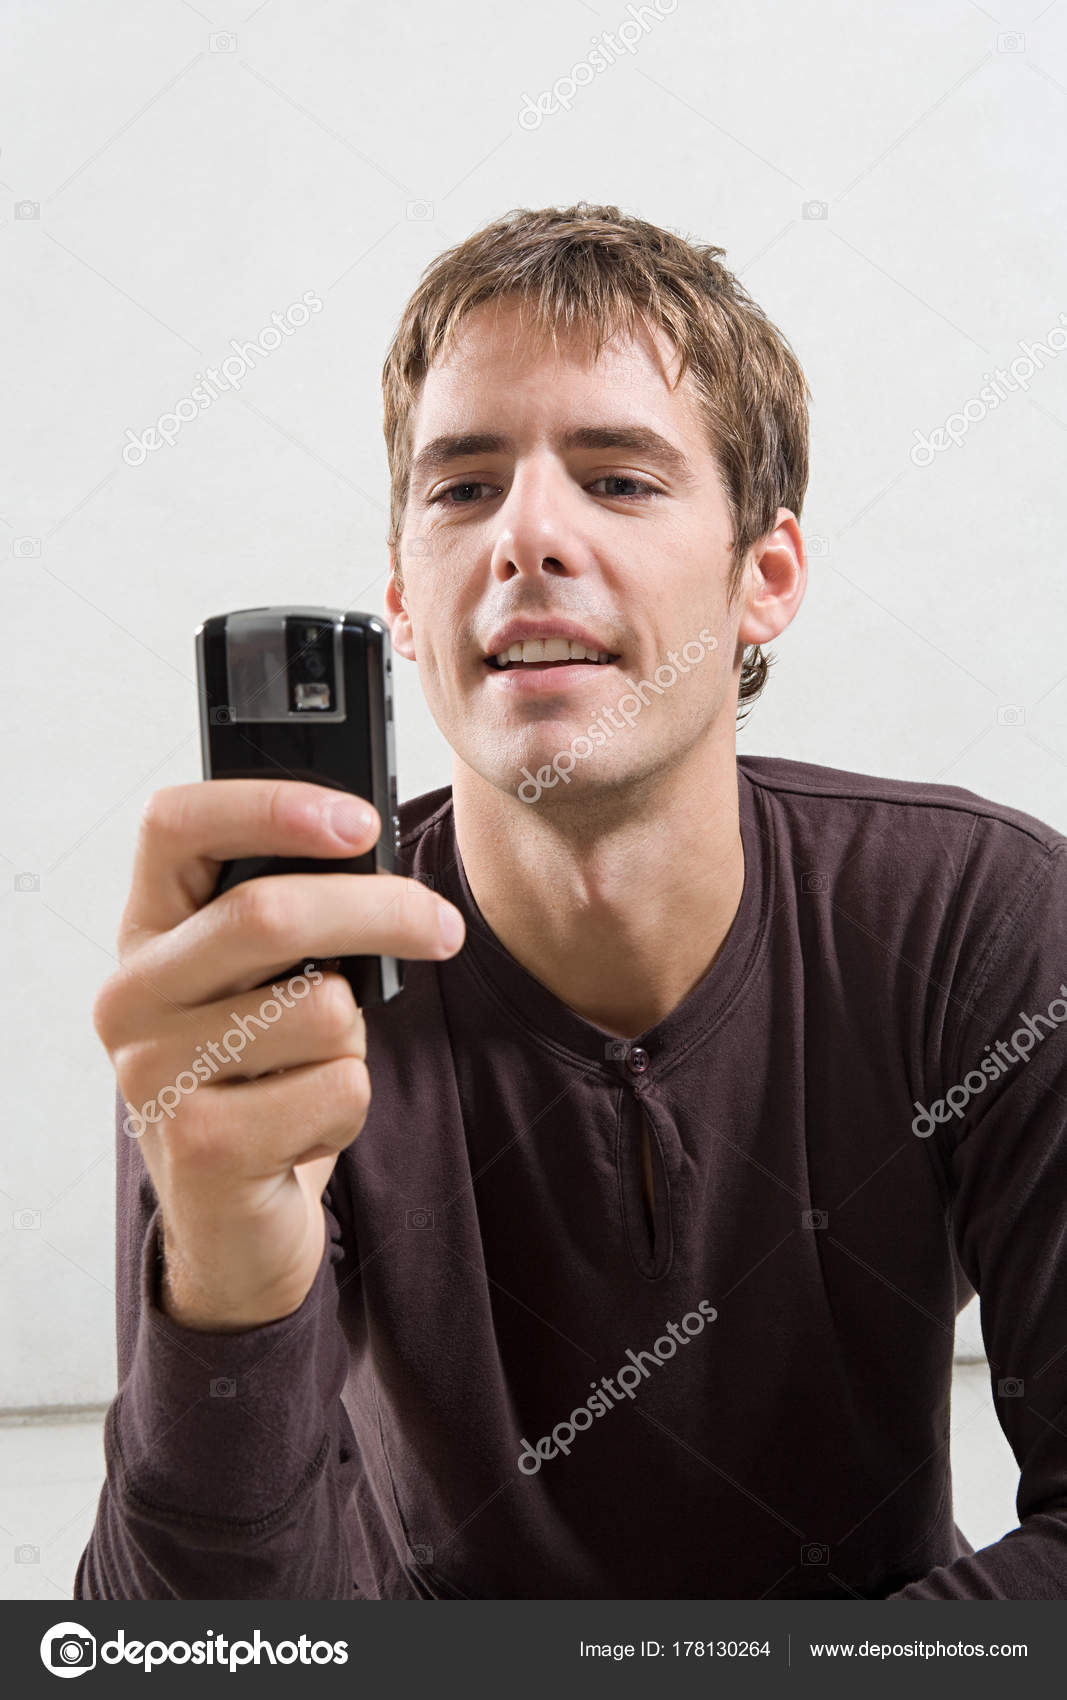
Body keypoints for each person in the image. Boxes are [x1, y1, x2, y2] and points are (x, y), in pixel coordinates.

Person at [76, 203, 1067, 1601]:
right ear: (406, 608)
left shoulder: (982, 918)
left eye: (620, 479)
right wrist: (225, 1287)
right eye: (463, 488)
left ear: (763, 579)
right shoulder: (267, 996)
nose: (527, 533)